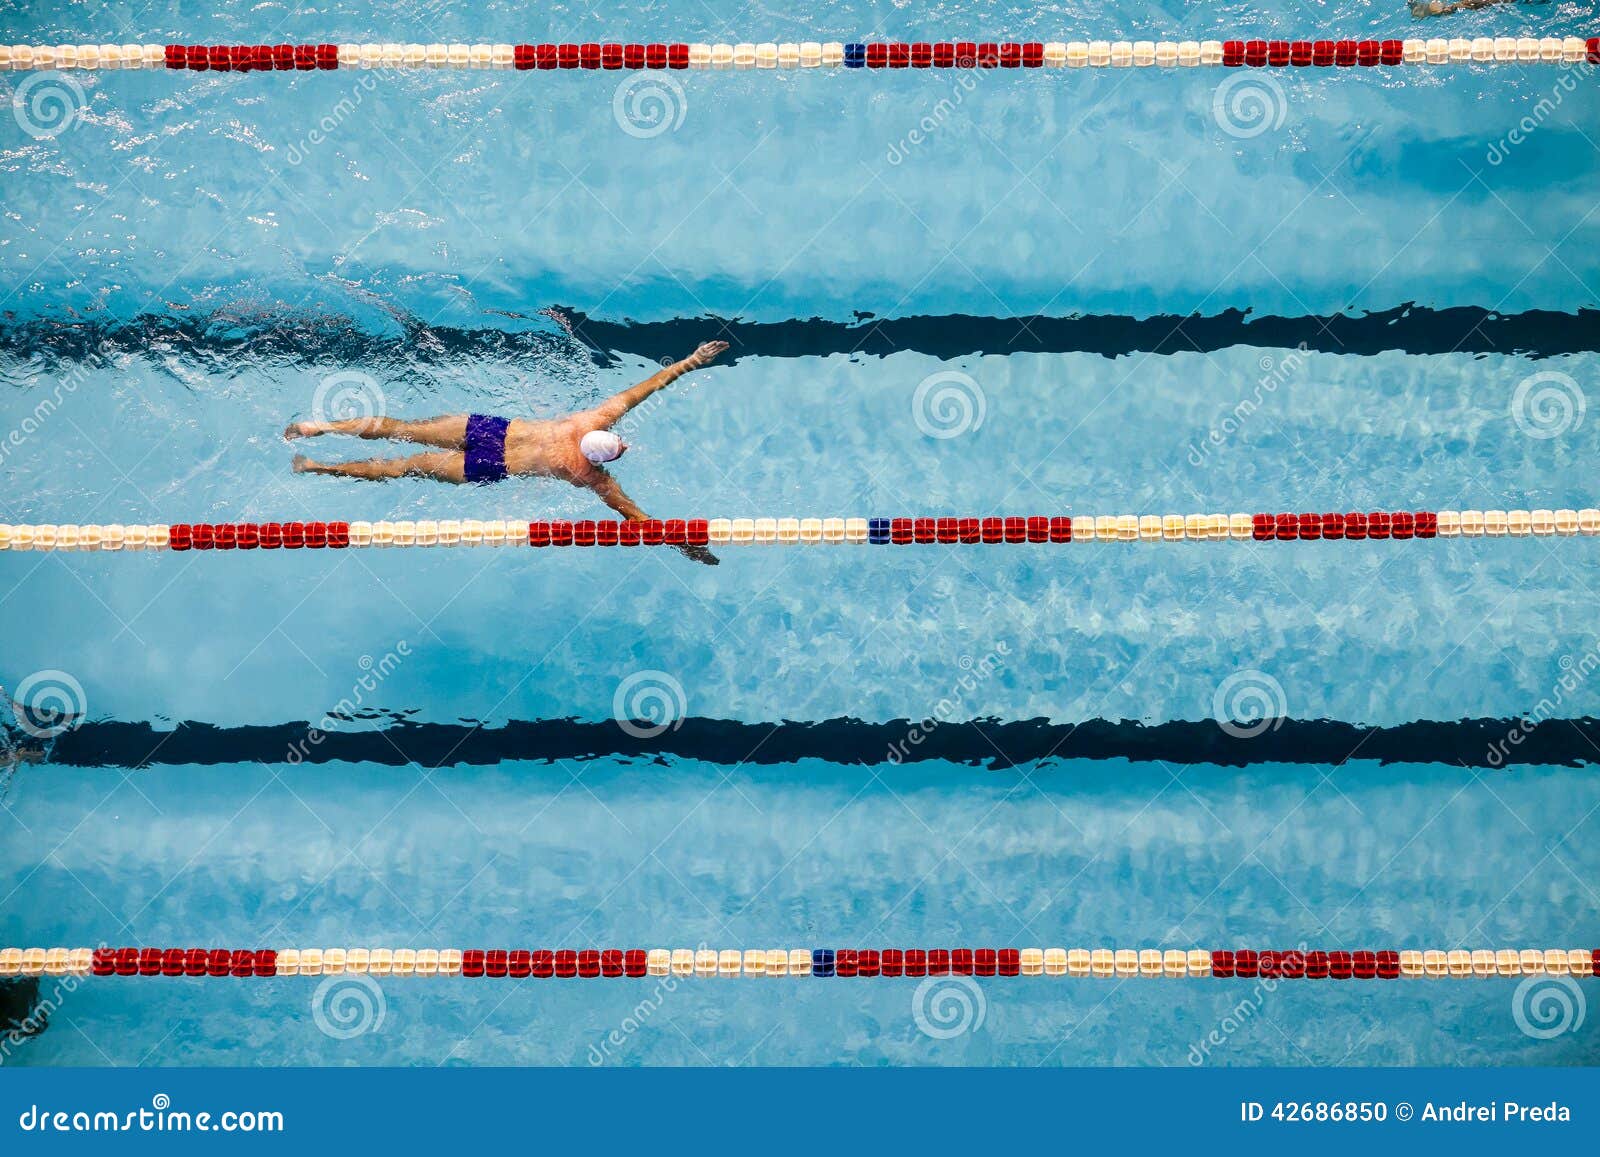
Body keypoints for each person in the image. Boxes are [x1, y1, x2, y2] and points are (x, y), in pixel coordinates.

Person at [285, 340, 729, 564]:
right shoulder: (589, 475)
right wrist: (686, 547)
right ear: (603, 459)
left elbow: (644, 388)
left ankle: (318, 427)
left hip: (491, 429)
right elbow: (639, 520)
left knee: (403, 429)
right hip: (490, 464)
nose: (624, 445)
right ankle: (316, 466)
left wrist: (691, 360)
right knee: (401, 468)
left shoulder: (591, 420)